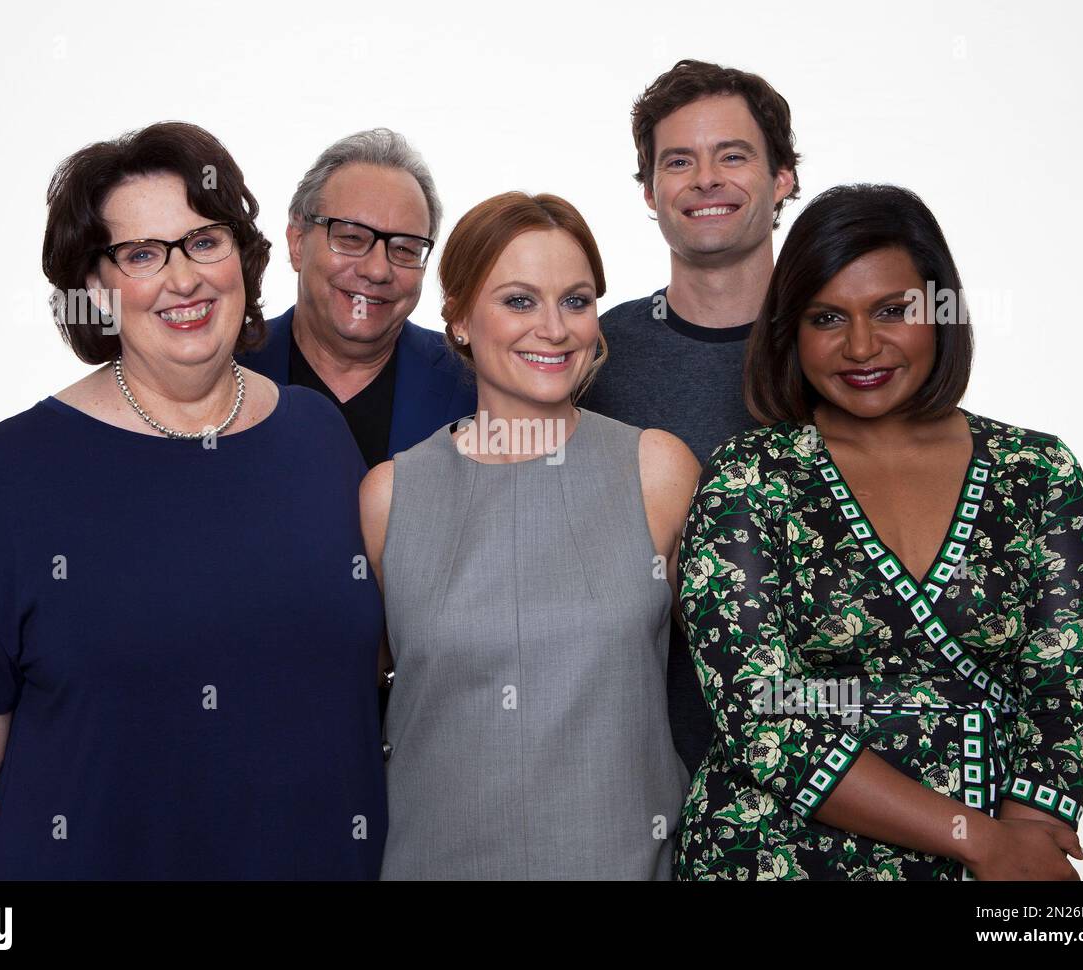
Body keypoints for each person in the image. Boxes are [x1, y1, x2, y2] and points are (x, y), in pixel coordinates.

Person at [0, 122, 386, 879]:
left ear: (243, 259)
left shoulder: (318, 436)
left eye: (204, 242)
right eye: (143, 255)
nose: (183, 279)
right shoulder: (15, 471)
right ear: (96, 287)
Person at [675, 183, 1083, 880]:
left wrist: (1018, 852)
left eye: (893, 310)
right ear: (791, 330)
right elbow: (762, 715)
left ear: (942, 310)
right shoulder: (749, 477)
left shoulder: (1038, 472)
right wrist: (978, 839)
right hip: (772, 856)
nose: (861, 346)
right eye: (826, 319)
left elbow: (1057, 699)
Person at [359, 192, 699, 879]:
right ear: (458, 318)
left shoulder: (657, 469)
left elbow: (738, 686)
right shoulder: (391, 495)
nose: (555, 328)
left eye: (575, 301)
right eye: (519, 301)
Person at [581, 58, 801, 780]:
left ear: (783, 179)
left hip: (836, 783)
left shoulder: (844, 351)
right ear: (650, 191)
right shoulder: (591, 354)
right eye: (680, 161)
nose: (706, 178)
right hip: (640, 776)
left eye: (732, 155)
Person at [237, 128, 476, 468]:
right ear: (298, 242)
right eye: (351, 237)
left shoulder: (476, 386)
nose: (377, 270)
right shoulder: (226, 366)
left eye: (405, 248)